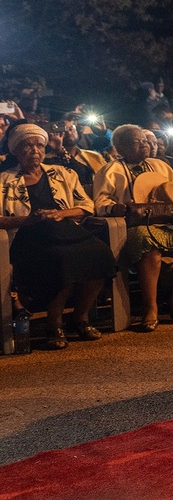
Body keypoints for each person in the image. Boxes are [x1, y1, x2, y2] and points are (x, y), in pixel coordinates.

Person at [0, 121, 117, 349]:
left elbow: (86, 205)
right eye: (27, 146)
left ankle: (80, 316)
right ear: (15, 150)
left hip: (65, 230)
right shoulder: (4, 181)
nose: (35, 150)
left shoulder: (63, 173)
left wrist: (61, 213)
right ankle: (54, 323)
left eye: (39, 146)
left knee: (101, 253)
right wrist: (29, 219)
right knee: (61, 260)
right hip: (26, 237)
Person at [93, 124, 173, 332]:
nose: (145, 146)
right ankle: (150, 307)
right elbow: (100, 203)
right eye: (138, 143)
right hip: (133, 227)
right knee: (149, 246)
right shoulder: (111, 170)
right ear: (120, 147)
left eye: (146, 142)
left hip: (168, 221)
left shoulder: (161, 166)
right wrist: (116, 208)